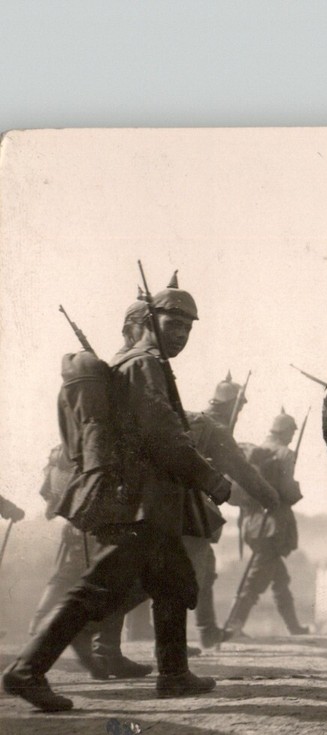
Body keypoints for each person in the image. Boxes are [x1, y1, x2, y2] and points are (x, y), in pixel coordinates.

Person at [3, 280, 232, 711]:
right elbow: (163, 437)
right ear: (147, 322)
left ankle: (175, 675)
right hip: (139, 505)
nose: (181, 333)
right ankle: (26, 670)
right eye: (173, 323)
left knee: (174, 582)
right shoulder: (144, 365)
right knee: (97, 588)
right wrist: (212, 480)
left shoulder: (138, 363)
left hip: (149, 506)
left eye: (188, 327)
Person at [27, 444, 149, 678]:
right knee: (96, 585)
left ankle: (107, 653)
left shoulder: (60, 453)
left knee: (107, 584)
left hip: (85, 529)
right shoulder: (88, 448)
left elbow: (51, 506)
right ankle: (31, 658)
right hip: (91, 530)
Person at [184, 373, 280, 647]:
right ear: (230, 406)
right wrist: (270, 498)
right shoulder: (215, 429)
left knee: (205, 569)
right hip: (190, 510)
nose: (239, 413)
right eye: (238, 408)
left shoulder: (194, 421)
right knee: (187, 571)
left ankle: (206, 631)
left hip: (181, 508)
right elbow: (243, 471)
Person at [222, 409, 307, 637]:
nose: (291, 436)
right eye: (291, 432)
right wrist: (297, 492)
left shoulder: (255, 451)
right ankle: (233, 624)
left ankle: (294, 627)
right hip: (272, 525)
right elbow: (287, 491)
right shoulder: (285, 454)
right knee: (256, 578)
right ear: (286, 432)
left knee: (279, 578)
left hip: (251, 524)